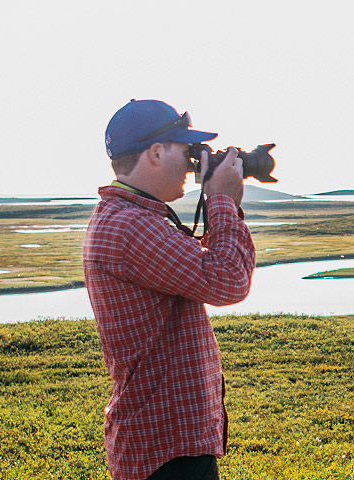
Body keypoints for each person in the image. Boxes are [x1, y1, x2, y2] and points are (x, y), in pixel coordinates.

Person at [84, 99, 255, 480]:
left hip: (165, 442)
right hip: (166, 449)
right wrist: (223, 200)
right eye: (187, 151)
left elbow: (206, 269)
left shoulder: (134, 219)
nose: (193, 162)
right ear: (156, 153)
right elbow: (228, 280)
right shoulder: (132, 226)